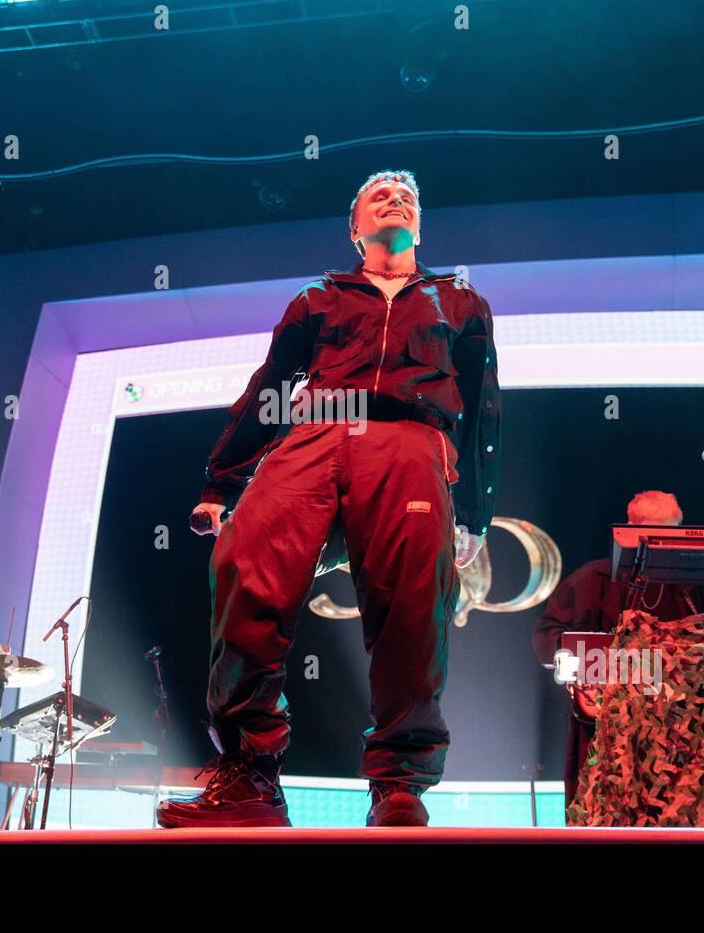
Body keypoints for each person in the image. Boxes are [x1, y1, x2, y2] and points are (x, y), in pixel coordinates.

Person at [157, 170, 501, 828]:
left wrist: (478, 510)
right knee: (245, 565)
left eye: (407, 197)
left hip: (408, 439)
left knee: (410, 609)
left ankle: (399, 784)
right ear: (355, 228)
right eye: (380, 196)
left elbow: (485, 408)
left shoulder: (459, 300)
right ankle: (249, 779)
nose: (395, 199)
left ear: (419, 225)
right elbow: (271, 388)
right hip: (315, 435)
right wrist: (221, 481)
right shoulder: (318, 296)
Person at [531, 491, 704, 804]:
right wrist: (582, 666)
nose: (662, 545)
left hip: (671, 729)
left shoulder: (686, 590)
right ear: (630, 529)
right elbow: (546, 638)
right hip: (606, 727)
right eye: (654, 534)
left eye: (671, 534)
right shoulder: (592, 580)